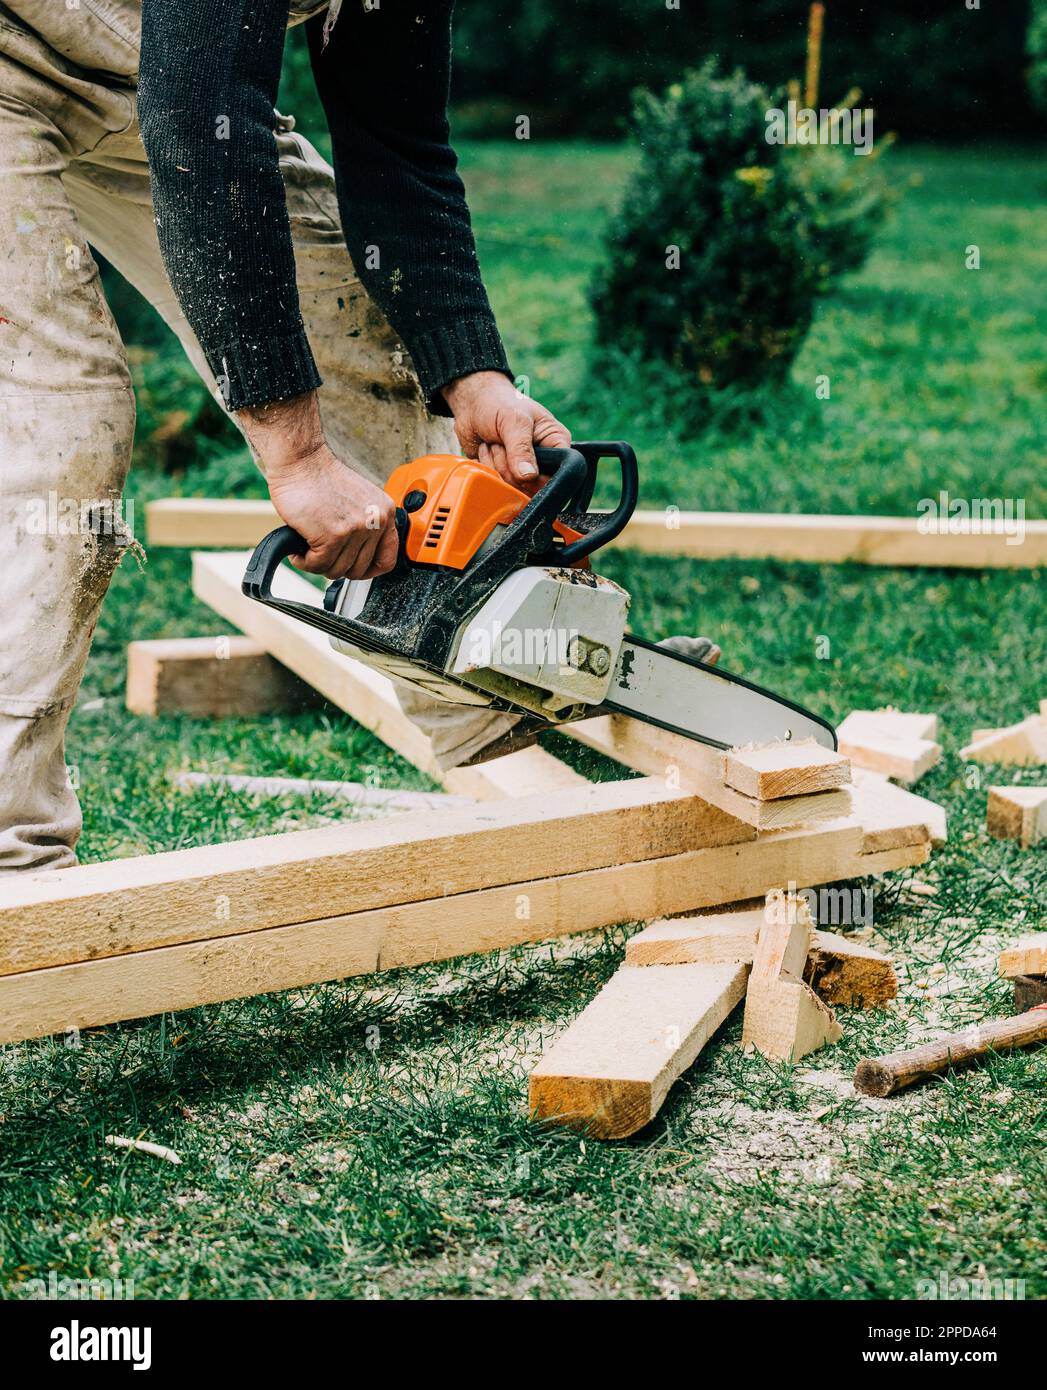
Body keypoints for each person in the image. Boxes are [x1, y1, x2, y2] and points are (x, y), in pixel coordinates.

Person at [0, 0, 716, 875]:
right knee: (67, 427)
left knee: (358, 323)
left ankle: (489, 685)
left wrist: (474, 375)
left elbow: (396, 143)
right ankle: (10, 851)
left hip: (155, 77)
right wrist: (295, 456)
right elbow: (199, 124)